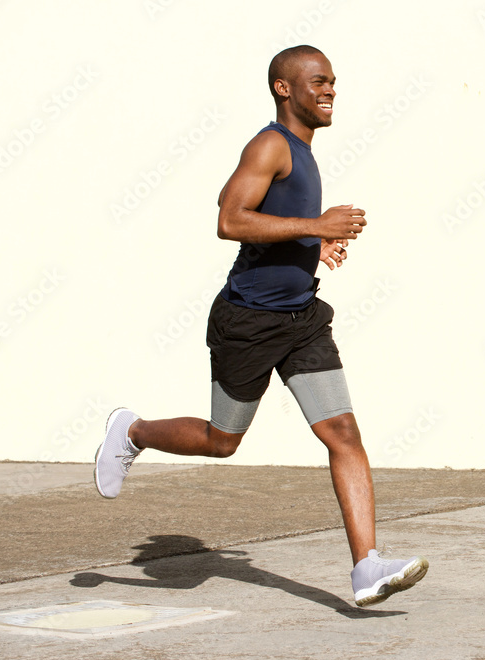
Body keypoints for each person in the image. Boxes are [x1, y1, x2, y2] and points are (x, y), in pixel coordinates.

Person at [94, 45, 428, 608]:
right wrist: (316, 223)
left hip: (302, 319)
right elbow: (230, 218)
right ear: (284, 88)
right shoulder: (271, 144)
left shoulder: (305, 151)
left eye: (333, 82)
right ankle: (133, 431)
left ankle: (367, 567)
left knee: (342, 433)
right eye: (319, 82)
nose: (330, 91)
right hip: (248, 323)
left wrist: (312, 242)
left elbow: (269, 222)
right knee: (221, 441)